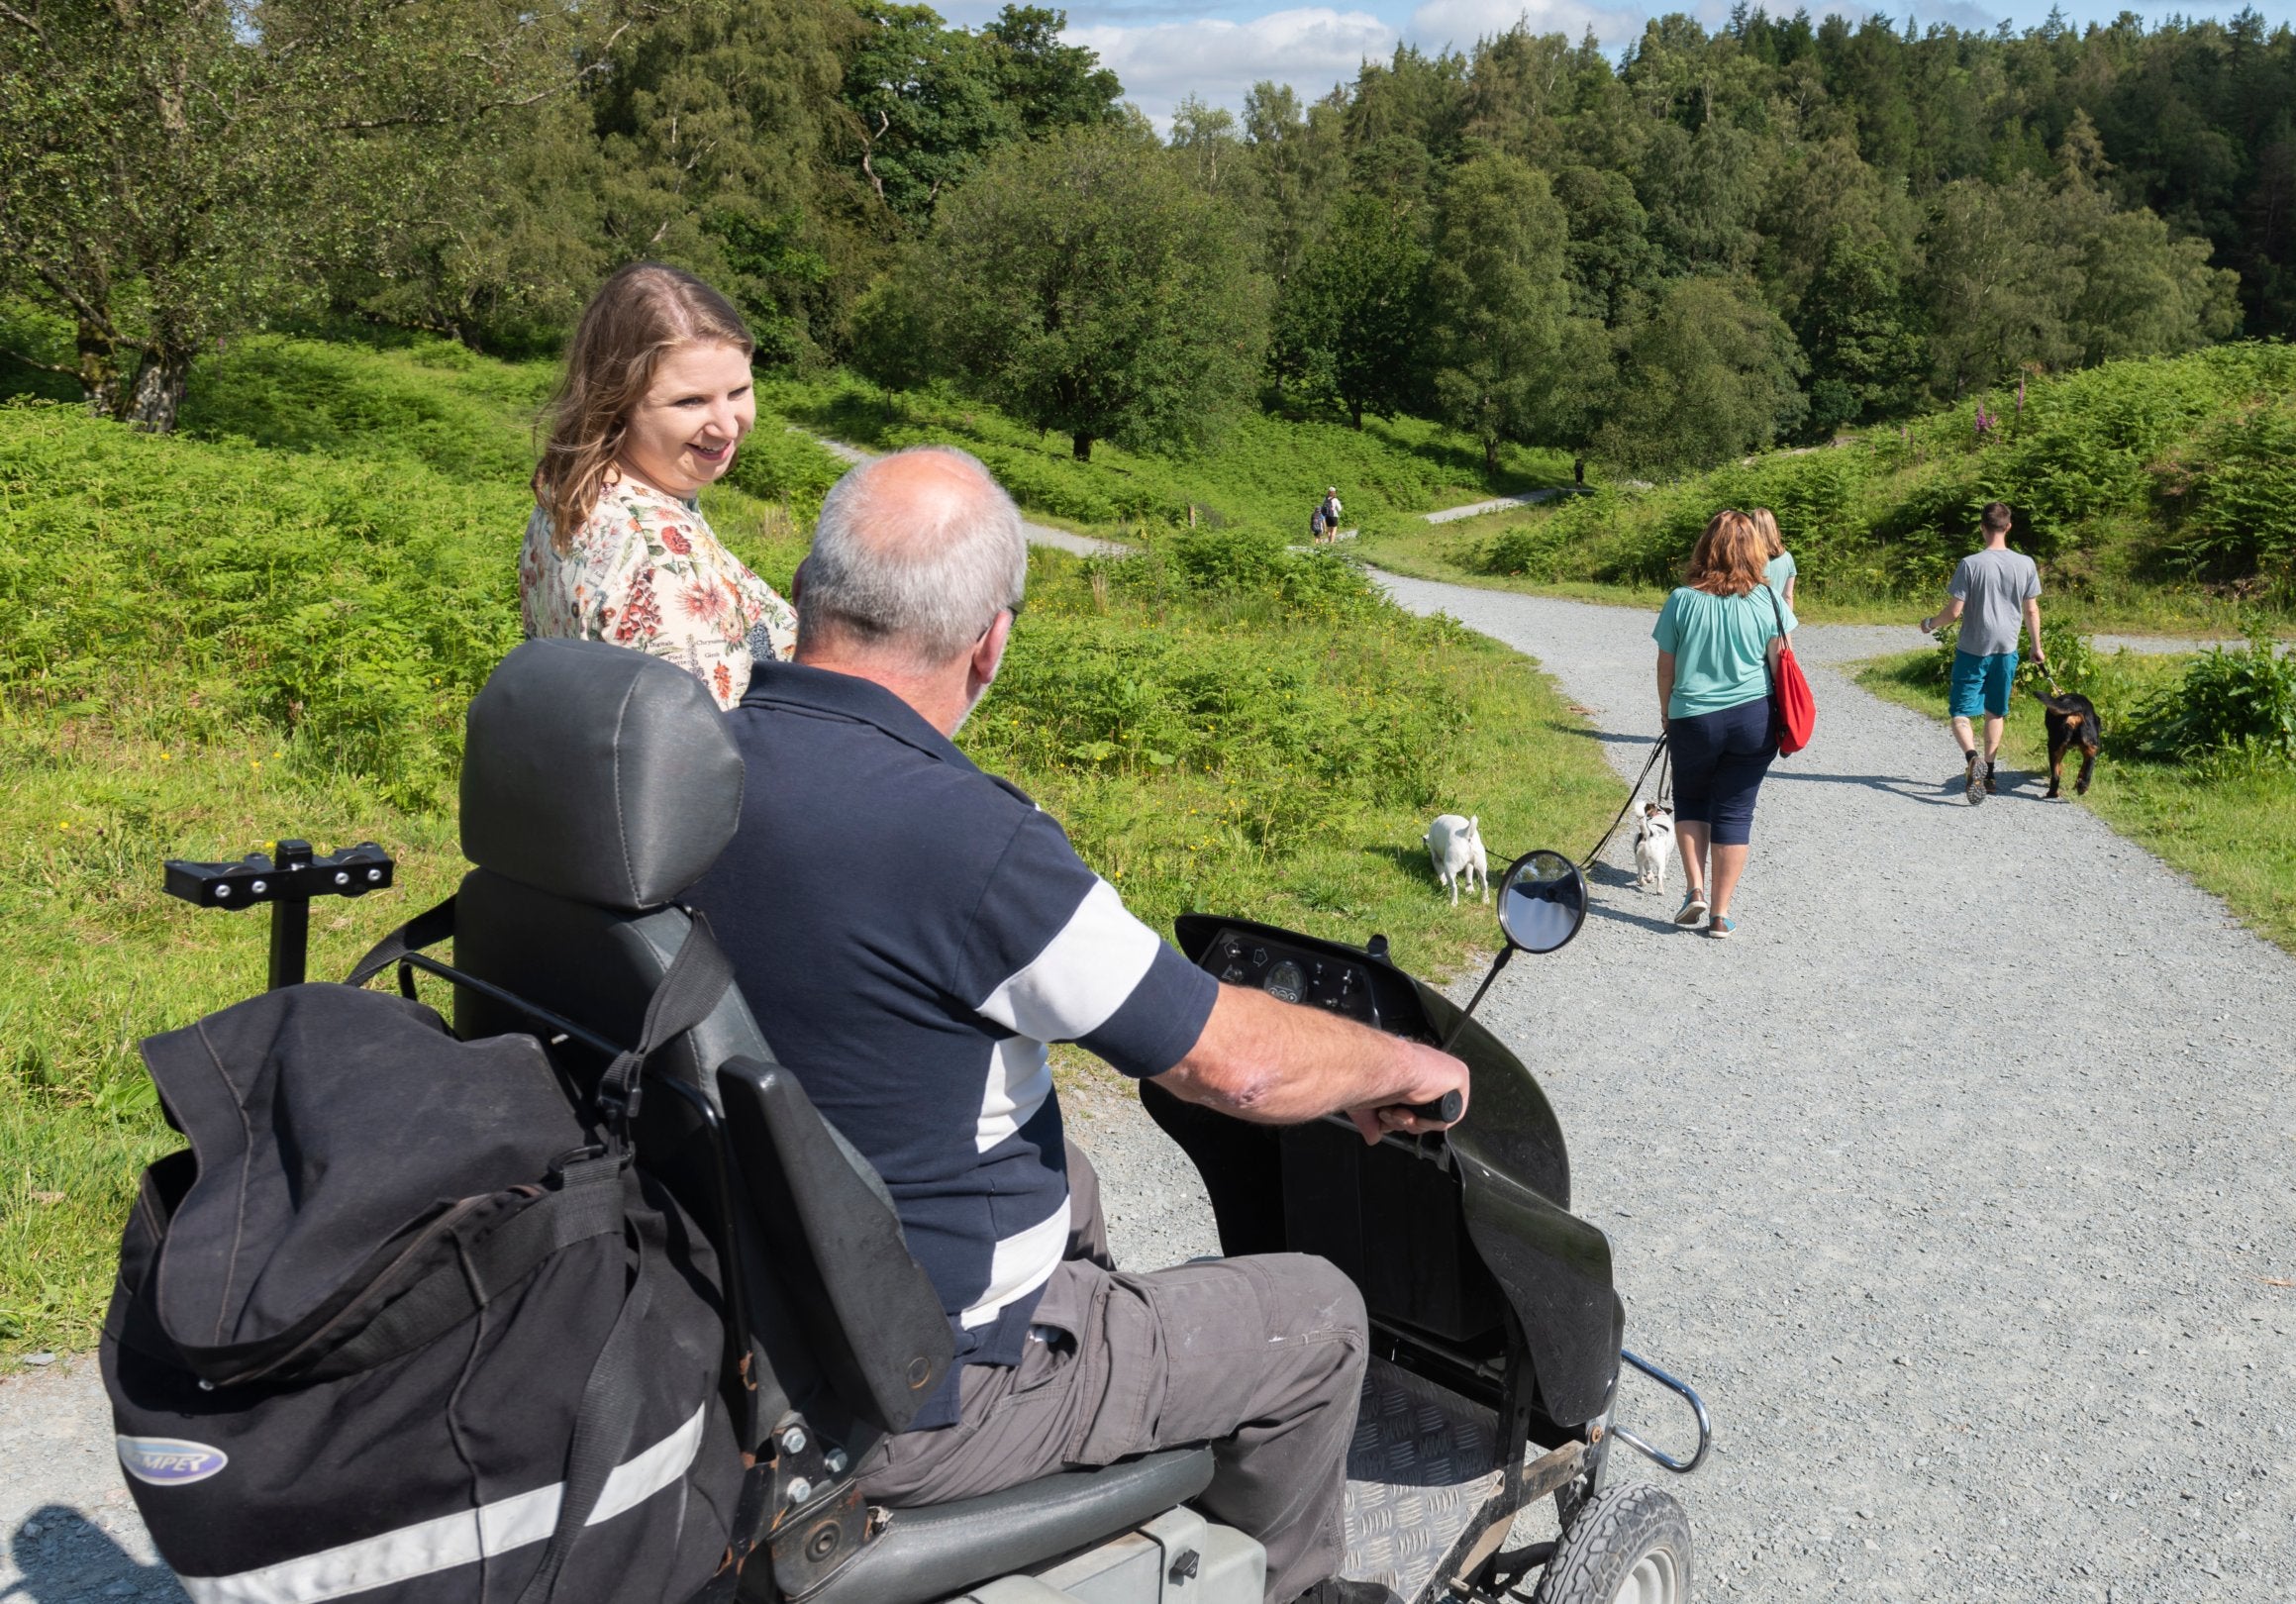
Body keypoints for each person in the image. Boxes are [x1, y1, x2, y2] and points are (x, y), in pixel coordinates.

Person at [683, 446, 1468, 1604]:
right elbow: (1237, 1066)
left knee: (1077, 1179)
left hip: (739, 1292)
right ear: (990, 644)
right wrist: (1398, 1062)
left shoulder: (693, 763)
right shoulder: (965, 841)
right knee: (1319, 1318)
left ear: (805, 594)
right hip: (910, 1393)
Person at [521, 262, 795, 709]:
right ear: (617, 402)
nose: (728, 427)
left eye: (738, 391)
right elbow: (708, 738)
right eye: (690, 401)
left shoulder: (573, 492)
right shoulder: (663, 562)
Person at [1650, 509, 1795, 939]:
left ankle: (1694, 889)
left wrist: (1667, 713)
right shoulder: (1769, 600)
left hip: (1692, 718)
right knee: (1735, 811)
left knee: (1691, 799)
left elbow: (1665, 666)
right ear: (1756, 550)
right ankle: (1720, 914)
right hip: (1753, 718)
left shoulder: (1681, 600)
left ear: (1706, 546)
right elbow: (1781, 665)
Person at [1917, 501, 2045, 805]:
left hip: (1973, 649)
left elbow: (1954, 612)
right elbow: (2031, 610)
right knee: (1995, 711)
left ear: (1982, 527)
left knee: (1960, 712)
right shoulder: (2026, 563)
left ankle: (1972, 757)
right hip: (2006, 649)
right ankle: (1989, 774)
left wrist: (1930, 623)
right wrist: (2036, 646)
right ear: (2008, 526)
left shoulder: (1970, 564)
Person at [1749, 506, 1797, 608]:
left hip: (1753, 613)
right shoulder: (1787, 558)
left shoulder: (1747, 557)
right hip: (1776, 613)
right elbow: (1788, 596)